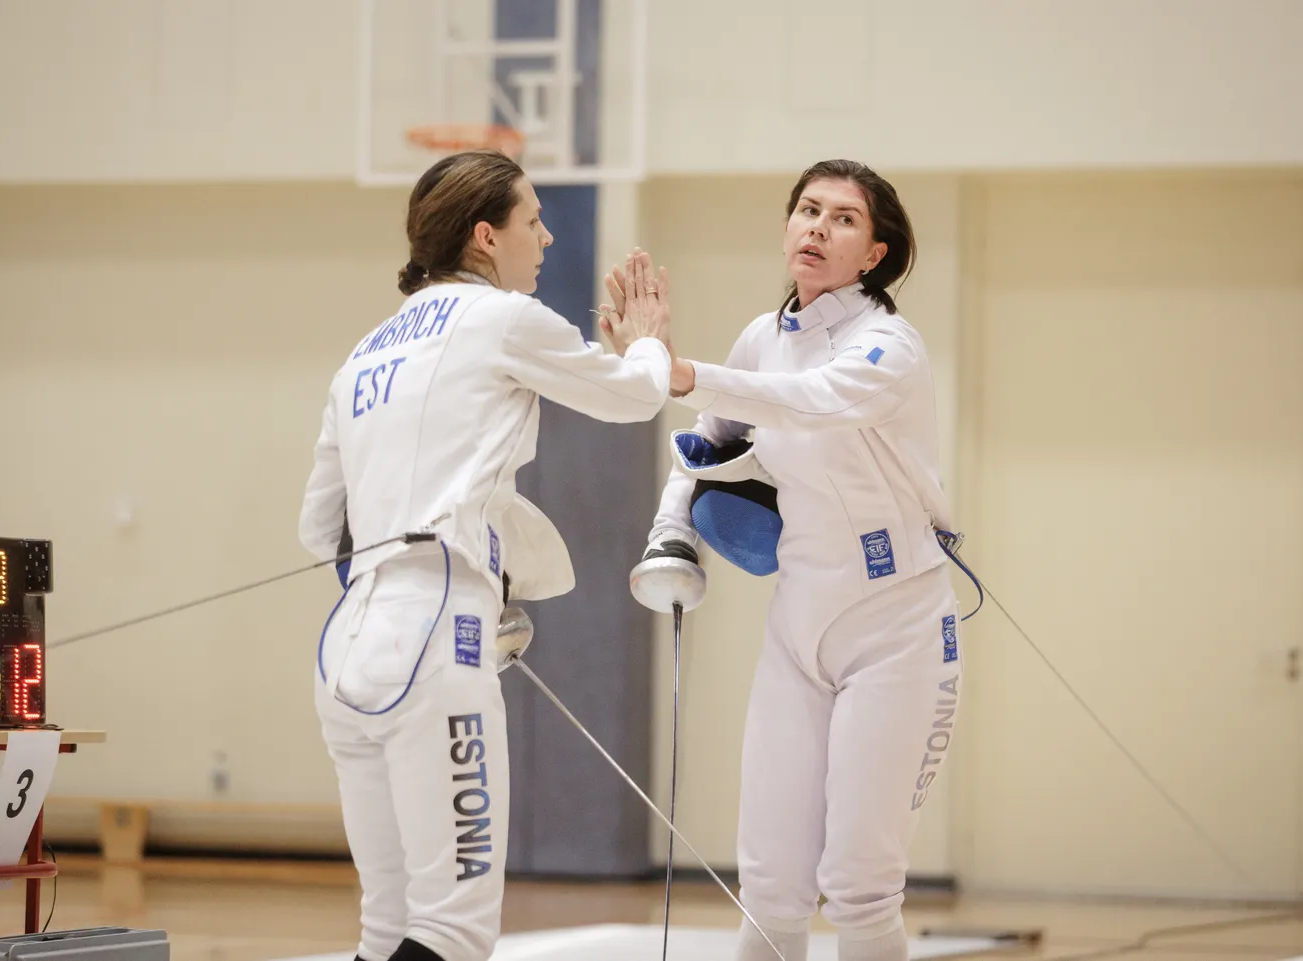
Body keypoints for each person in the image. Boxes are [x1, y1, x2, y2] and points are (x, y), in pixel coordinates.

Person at [297, 149, 674, 961]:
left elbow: (319, 528)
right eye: (532, 220)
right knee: (452, 931)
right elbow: (638, 396)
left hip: (345, 652)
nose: (546, 238)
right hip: (437, 638)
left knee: (386, 928)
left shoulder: (361, 354)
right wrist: (644, 342)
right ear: (484, 236)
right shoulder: (502, 318)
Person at [623, 159, 962, 961]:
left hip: (900, 628)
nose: (818, 226)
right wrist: (670, 532)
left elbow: (809, 402)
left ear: (874, 254)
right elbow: (707, 444)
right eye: (808, 209)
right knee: (771, 882)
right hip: (799, 626)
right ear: (786, 227)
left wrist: (680, 370)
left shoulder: (889, 346)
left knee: (860, 884)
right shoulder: (762, 339)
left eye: (843, 218)